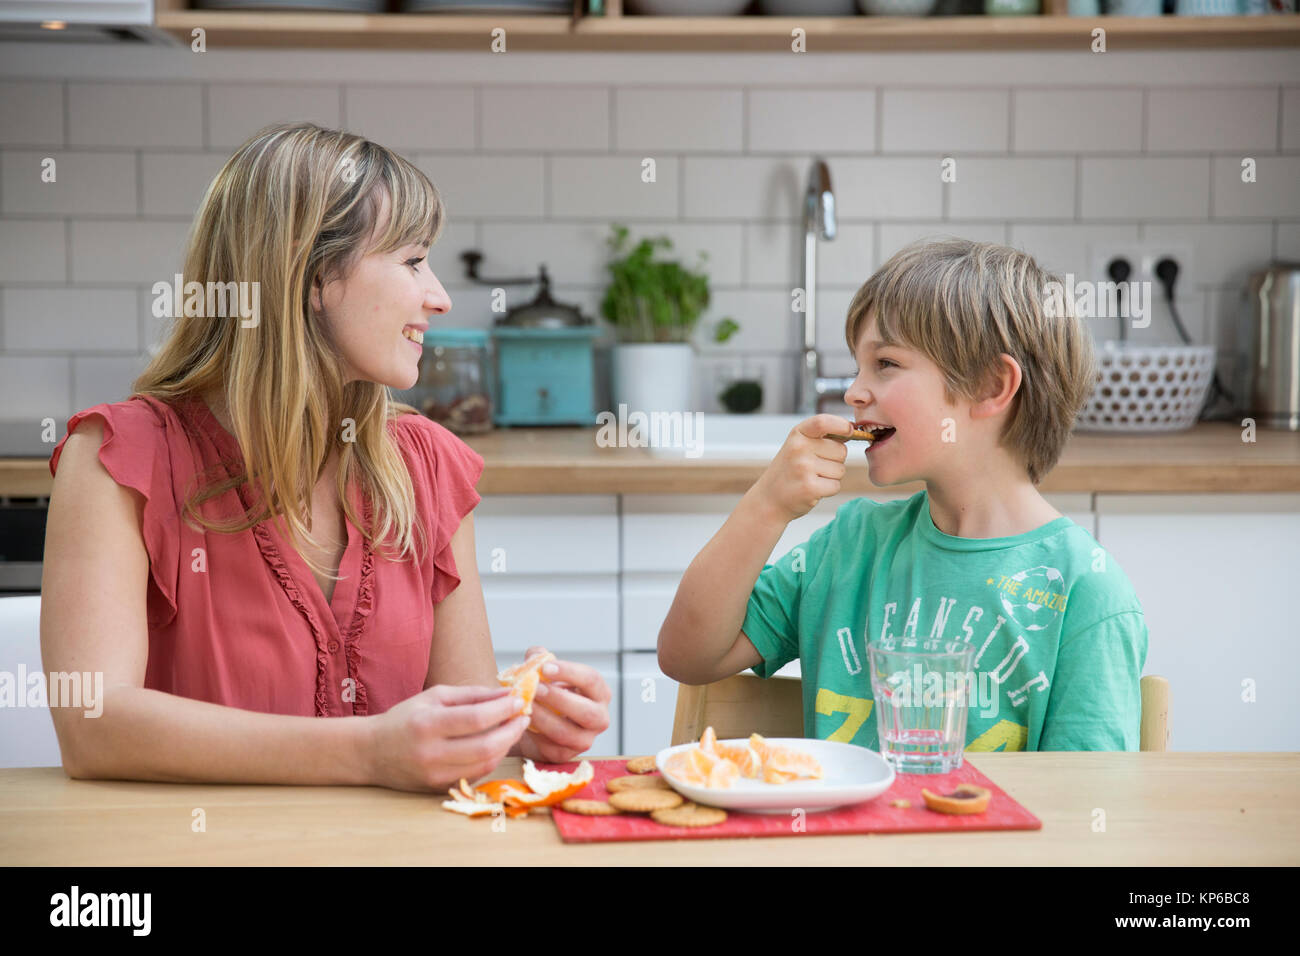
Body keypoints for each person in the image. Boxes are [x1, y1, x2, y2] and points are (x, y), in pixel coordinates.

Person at [41, 122, 610, 792]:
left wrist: (519, 731)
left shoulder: (424, 467)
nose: (440, 296)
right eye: (411, 260)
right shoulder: (118, 460)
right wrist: (368, 751)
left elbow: (455, 729)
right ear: (314, 277)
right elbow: (93, 726)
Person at [658, 238, 1148, 752]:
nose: (853, 392)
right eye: (857, 367)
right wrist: (766, 506)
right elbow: (687, 657)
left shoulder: (1086, 593)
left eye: (885, 363)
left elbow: (1091, 807)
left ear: (990, 386)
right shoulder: (850, 546)